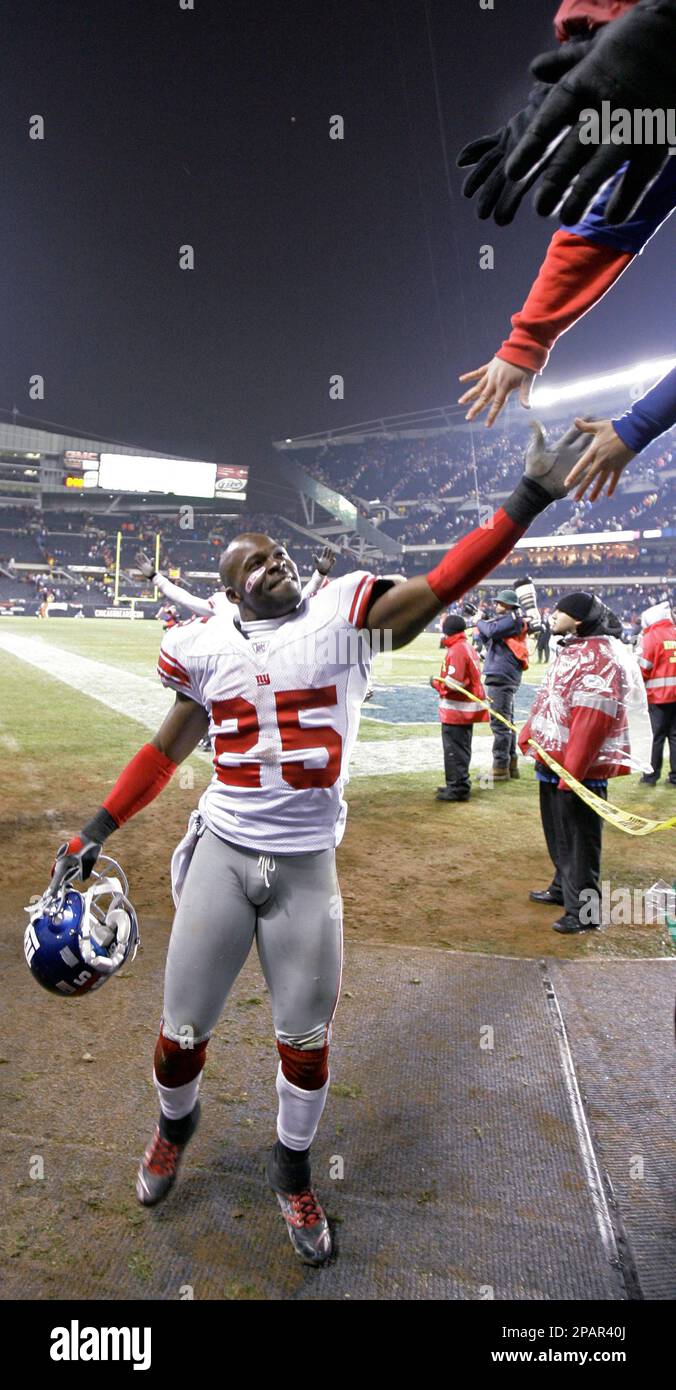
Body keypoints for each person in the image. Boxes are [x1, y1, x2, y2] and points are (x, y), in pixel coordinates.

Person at [45, 423, 587, 1267]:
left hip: (305, 868)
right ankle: (170, 1133)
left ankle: (291, 1171)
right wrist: (96, 829)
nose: (275, 564)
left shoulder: (347, 618)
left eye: (277, 553)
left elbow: (441, 584)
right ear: (228, 594)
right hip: (224, 852)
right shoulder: (207, 647)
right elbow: (163, 752)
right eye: (252, 564)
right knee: (183, 1024)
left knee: (304, 1038)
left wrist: (528, 499)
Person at [520, 591, 637, 933]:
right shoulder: (572, 650)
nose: (552, 615)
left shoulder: (599, 658)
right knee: (559, 836)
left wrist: (571, 774)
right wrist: (531, 733)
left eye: (561, 611)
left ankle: (585, 913)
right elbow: (549, 698)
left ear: (581, 620)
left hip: (578, 773)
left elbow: (592, 721)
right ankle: (562, 890)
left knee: (580, 843)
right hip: (553, 766)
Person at [137, 544, 337, 619]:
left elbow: (304, 594)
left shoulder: (271, 600)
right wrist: (155, 577)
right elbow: (185, 598)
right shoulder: (222, 604)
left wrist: (320, 574)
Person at [430, 614, 488, 802]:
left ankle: (458, 788)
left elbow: (454, 684)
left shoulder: (457, 649)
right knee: (459, 748)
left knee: (454, 749)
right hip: (463, 709)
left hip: (457, 710)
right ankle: (455, 783)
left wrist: (436, 684)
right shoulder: (465, 646)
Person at [474, 589, 529, 781]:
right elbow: (489, 638)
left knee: (499, 723)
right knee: (507, 722)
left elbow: (490, 631)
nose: (496, 606)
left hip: (502, 675)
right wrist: (483, 625)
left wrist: (478, 621)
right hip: (504, 674)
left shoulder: (512, 618)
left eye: (499, 603)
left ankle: (500, 767)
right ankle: (510, 764)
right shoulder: (511, 620)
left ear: (507, 605)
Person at [637, 599, 676, 786]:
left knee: (656, 738)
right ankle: (675, 777)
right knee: (675, 736)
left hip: (659, 697)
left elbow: (643, 668)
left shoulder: (652, 637)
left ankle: (651, 777)